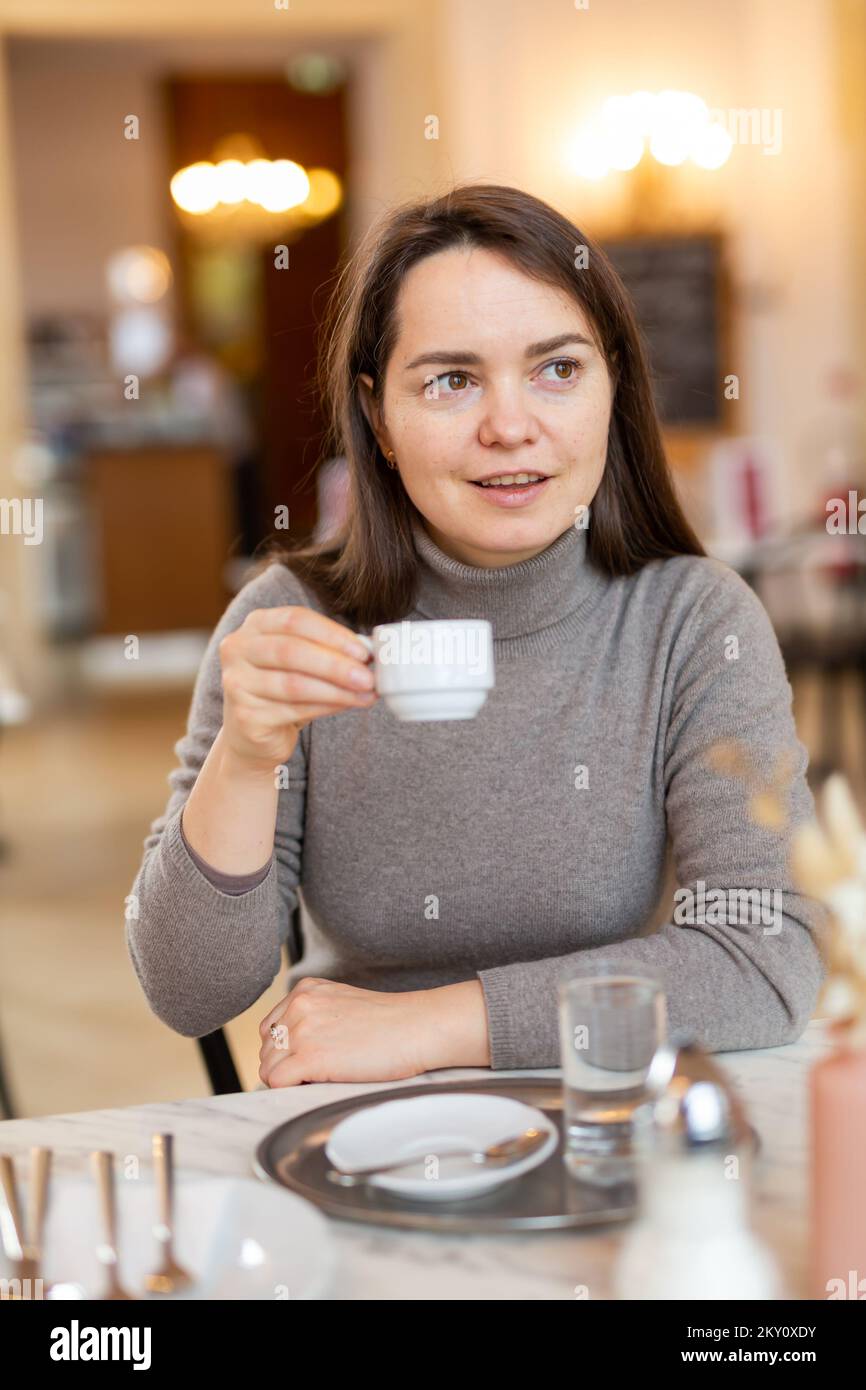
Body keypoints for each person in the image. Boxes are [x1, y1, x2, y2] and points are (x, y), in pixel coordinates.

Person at [125, 183, 827, 1087]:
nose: (510, 426)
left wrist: (430, 1027)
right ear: (379, 416)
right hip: (358, 1138)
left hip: (604, 1114)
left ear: (613, 385)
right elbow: (189, 994)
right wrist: (246, 756)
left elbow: (765, 958)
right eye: (452, 380)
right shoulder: (287, 623)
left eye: (558, 370)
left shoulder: (694, 621)